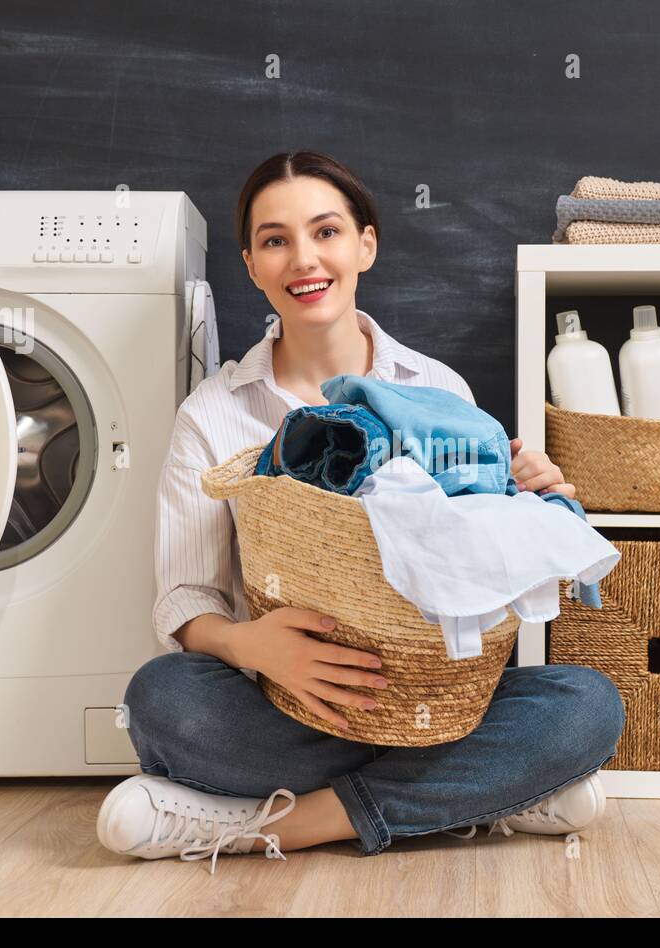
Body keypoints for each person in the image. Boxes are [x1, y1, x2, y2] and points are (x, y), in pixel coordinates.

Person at [96, 151, 624, 873]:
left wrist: (535, 497)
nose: (303, 259)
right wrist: (253, 647)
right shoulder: (215, 413)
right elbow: (185, 599)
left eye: (326, 232)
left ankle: (268, 826)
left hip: (433, 704)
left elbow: (481, 557)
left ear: (364, 244)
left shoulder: (436, 387)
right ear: (251, 264)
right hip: (291, 711)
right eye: (276, 240)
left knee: (587, 707)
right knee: (161, 700)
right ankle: (478, 797)